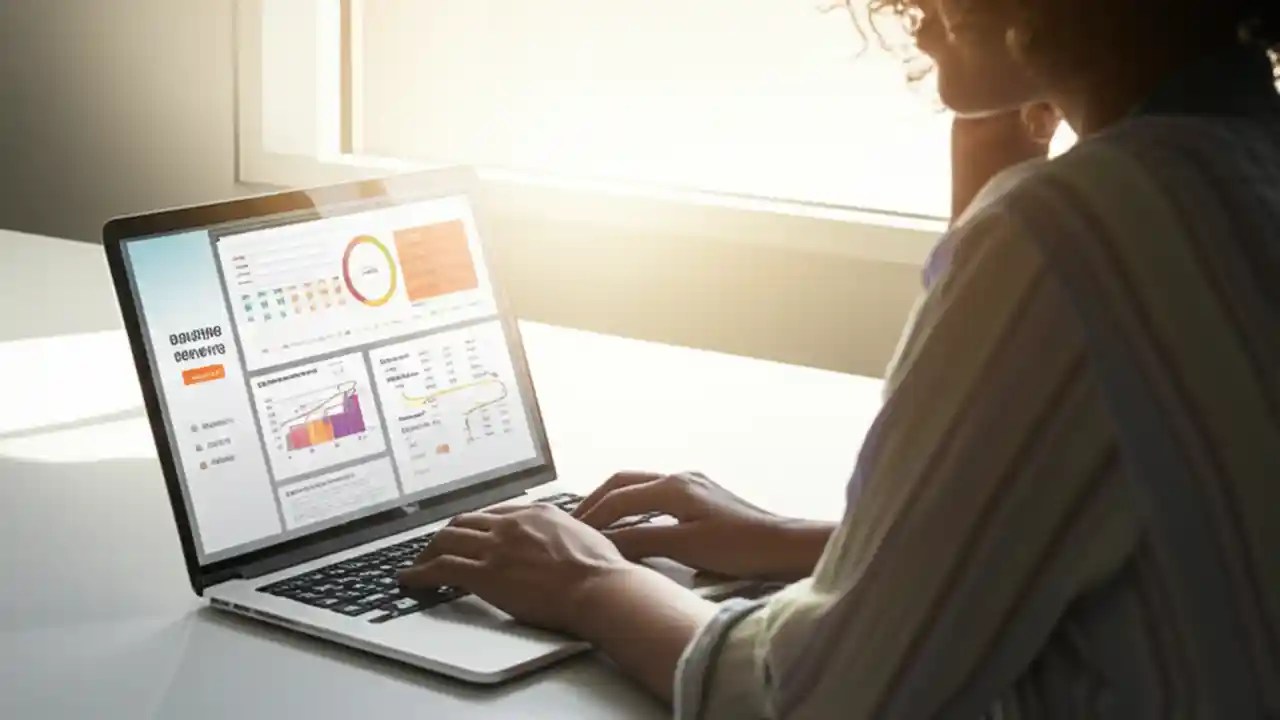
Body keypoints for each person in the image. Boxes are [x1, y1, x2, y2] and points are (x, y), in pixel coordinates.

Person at [400, 0, 1280, 716]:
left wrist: (584, 579)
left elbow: (821, 699)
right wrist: (800, 543)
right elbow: (1132, 534)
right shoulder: (1236, 169)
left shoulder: (1078, 230)